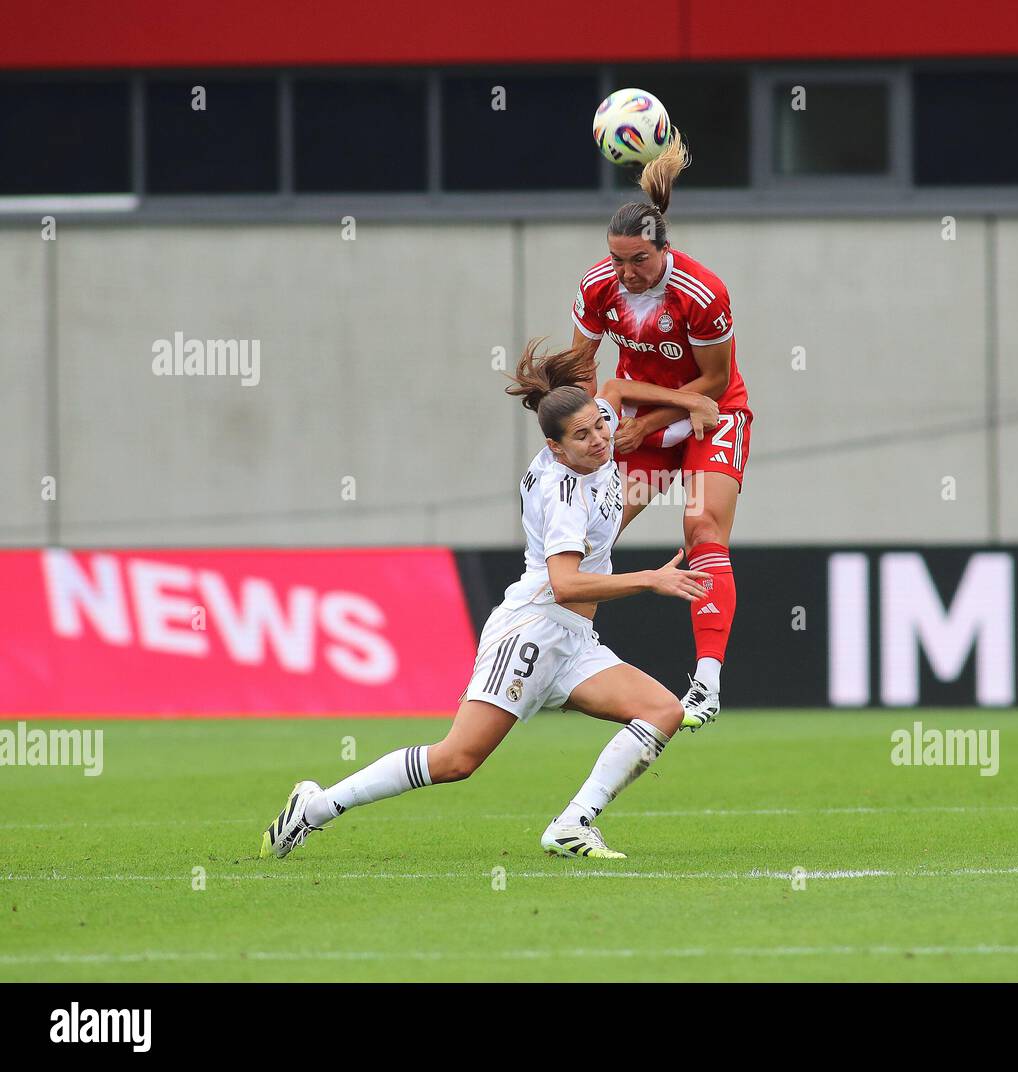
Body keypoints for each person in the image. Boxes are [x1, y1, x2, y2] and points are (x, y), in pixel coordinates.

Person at [258, 343, 716, 862]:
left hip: (573, 640)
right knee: (456, 760)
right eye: (582, 436)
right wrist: (649, 580)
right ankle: (314, 809)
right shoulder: (564, 494)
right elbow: (564, 583)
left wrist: (686, 401)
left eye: (599, 427)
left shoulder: (599, 424)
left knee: (661, 710)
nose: (599, 439)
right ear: (556, 447)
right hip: (533, 631)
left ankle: (572, 825)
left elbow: (613, 391)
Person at [568, 131, 753, 730]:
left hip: (710, 414)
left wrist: (641, 420)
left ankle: (705, 681)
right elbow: (581, 371)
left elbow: (714, 382)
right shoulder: (598, 287)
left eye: (638, 260)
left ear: (663, 250)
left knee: (700, 526)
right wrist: (590, 426)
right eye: (618, 260)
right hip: (638, 428)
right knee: (594, 531)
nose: (627, 273)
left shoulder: (703, 293)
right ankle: (556, 654)